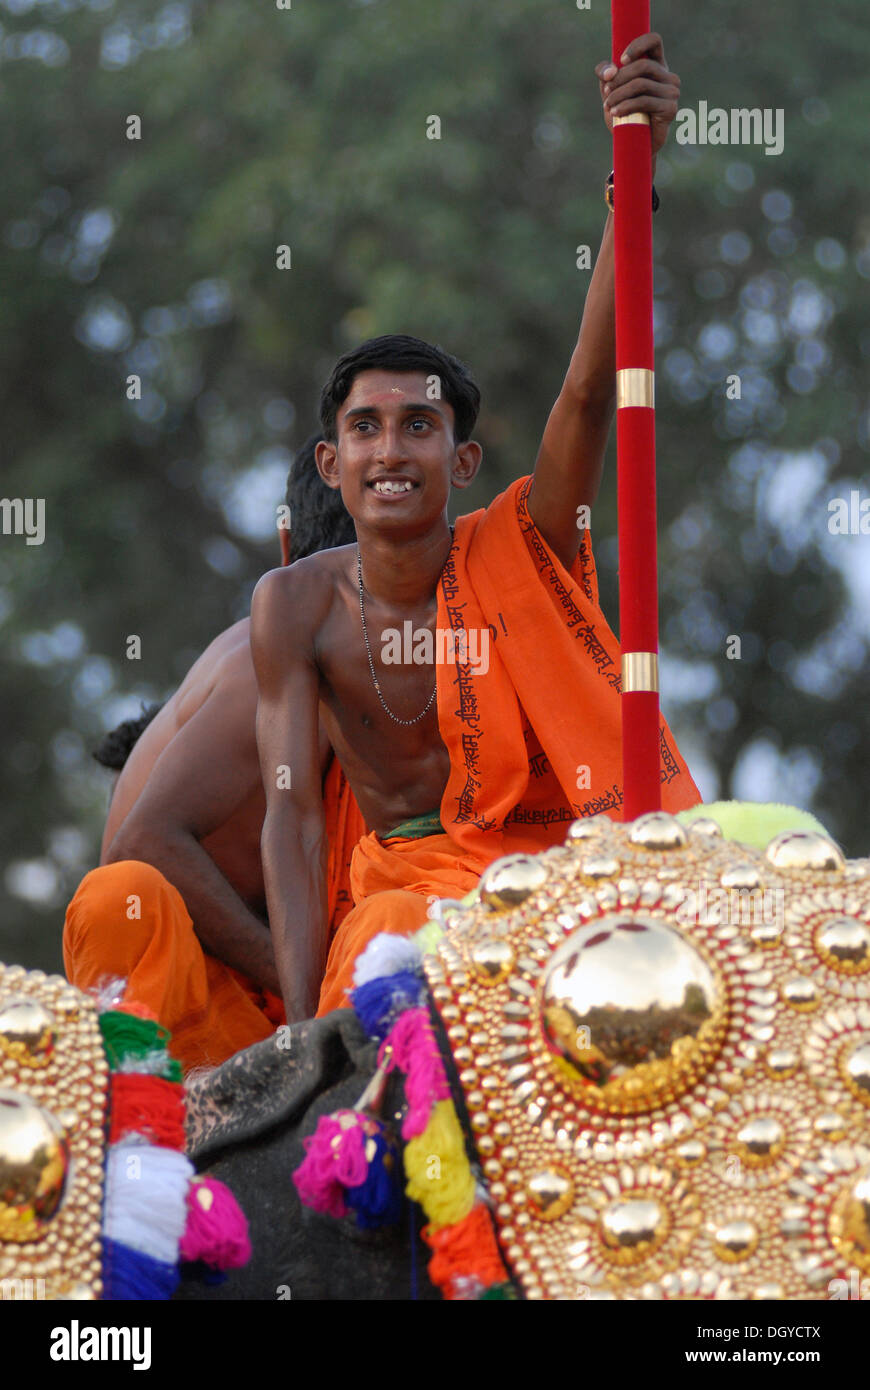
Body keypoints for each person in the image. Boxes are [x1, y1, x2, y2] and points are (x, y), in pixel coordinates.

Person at [251, 34, 701, 1023]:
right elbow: (287, 814)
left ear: (463, 461)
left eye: (420, 425)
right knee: (385, 945)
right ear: (333, 465)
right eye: (364, 429)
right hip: (403, 897)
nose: (390, 451)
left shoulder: (519, 541)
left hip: (547, 874)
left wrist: (635, 179)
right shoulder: (292, 604)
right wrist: (294, 1028)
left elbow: (589, 393)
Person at [63, 435, 365, 1072]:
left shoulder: (401, 677)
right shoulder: (269, 666)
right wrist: (305, 986)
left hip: (295, 993)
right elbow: (142, 843)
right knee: (121, 894)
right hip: (200, 994)